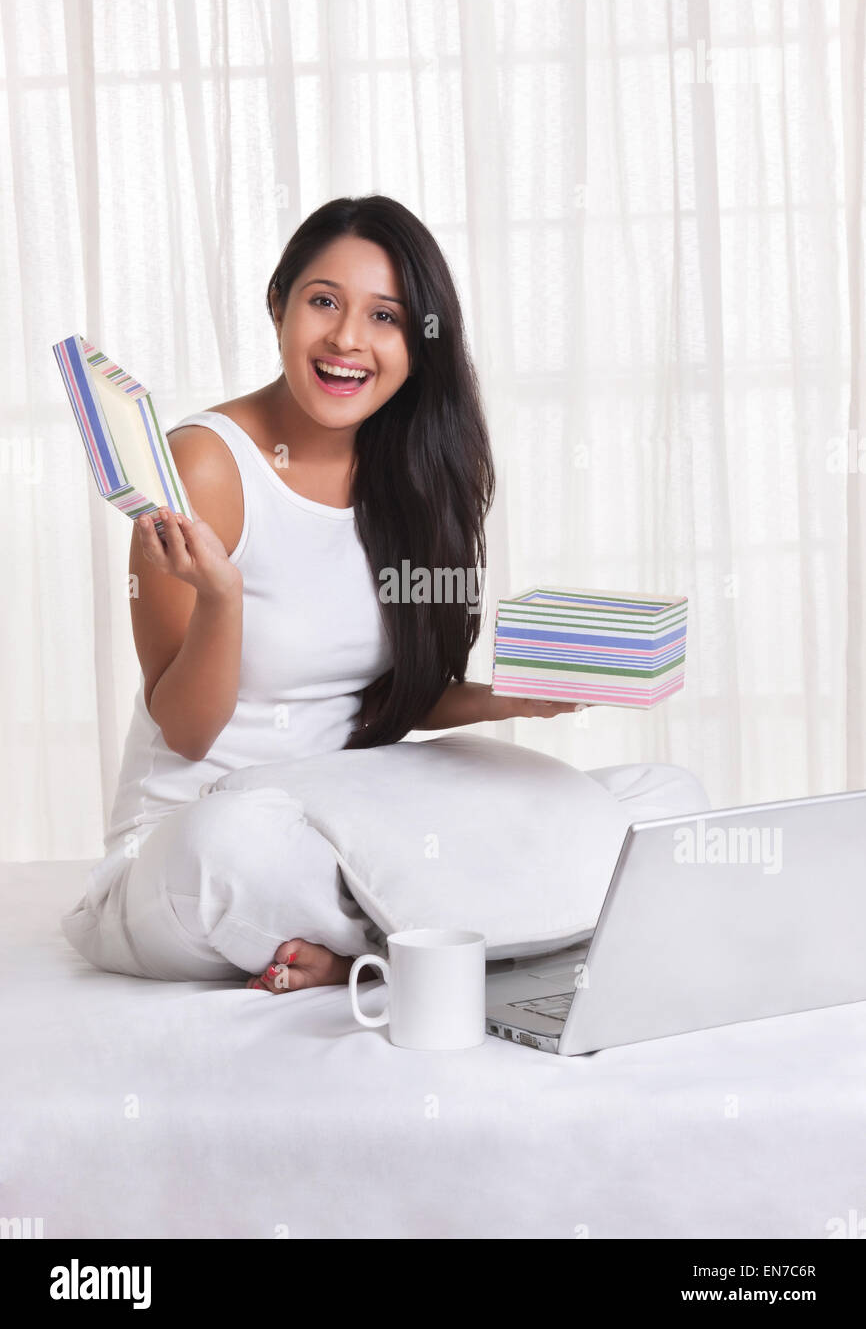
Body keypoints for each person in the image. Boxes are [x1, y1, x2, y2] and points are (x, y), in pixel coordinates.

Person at [61, 194, 709, 996]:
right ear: (278, 306)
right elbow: (188, 732)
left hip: (350, 813)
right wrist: (223, 599)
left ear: (419, 343)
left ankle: (378, 951)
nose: (347, 340)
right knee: (232, 849)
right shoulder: (205, 467)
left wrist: (506, 700)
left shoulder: (414, 472)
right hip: (206, 836)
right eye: (324, 303)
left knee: (661, 798)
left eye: (386, 317)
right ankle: (464, 938)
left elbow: (388, 700)